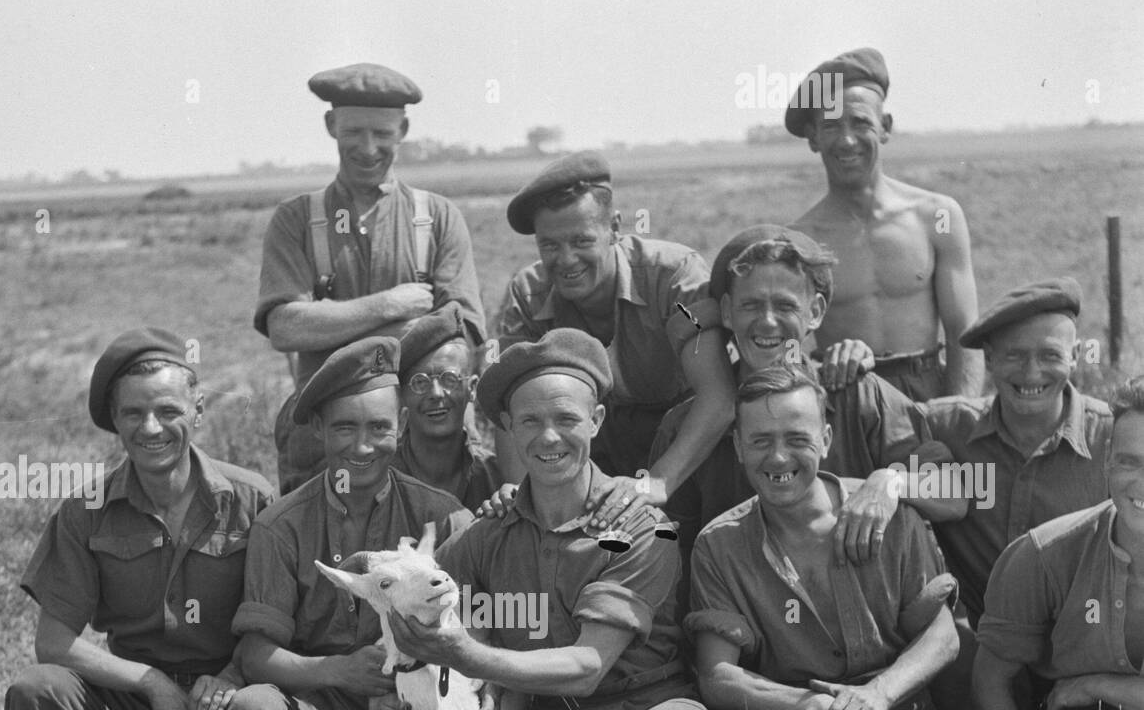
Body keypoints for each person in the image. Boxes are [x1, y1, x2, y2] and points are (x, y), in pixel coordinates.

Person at [390, 328, 729, 710]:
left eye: (566, 418)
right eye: (530, 421)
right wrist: (430, 697)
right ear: (508, 431)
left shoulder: (637, 528)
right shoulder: (486, 536)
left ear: (597, 420)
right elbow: (416, 623)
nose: (549, 437)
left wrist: (470, 655)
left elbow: (587, 666)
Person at [5, 329, 274, 710]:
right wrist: (150, 683)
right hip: (136, 705)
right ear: (114, 420)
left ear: (198, 411)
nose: (151, 428)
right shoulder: (88, 511)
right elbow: (53, 643)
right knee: (36, 692)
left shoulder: (254, 501)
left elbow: (278, 620)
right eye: (134, 413)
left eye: (167, 410)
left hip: (225, 704)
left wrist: (227, 681)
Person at [205, 335, 475, 710]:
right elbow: (255, 653)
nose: (363, 446)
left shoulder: (444, 520)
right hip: (324, 708)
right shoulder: (282, 526)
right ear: (320, 432)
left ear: (401, 426)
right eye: (344, 429)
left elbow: (479, 640)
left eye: (378, 427)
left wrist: (452, 705)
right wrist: (339, 672)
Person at [689, 359, 958, 710]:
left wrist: (877, 695)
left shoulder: (889, 516)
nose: (778, 457)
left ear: (827, 440)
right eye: (760, 441)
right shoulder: (719, 545)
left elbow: (942, 636)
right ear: (736, 446)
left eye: (797, 438)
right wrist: (812, 706)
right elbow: (715, 675)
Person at [254, 63, 485, 491]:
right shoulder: (296, 219)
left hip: (423, 434)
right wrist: (389, 307)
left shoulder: (436, 217)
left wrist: (327, 327)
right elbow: (284, 327)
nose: (367, 147)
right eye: (353, 131)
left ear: (403, 130)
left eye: (382, 133)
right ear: (330, 125)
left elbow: (463, 333)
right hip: (322, 437)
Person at [664, 224, 965, 548]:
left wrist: (889, 482)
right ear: (726, 312)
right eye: (750, 305)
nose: (767, 321)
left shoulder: (861, 396)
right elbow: (673, 545)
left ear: (816, 312)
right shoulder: (685, 426)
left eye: (785, 306)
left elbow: (953, 493)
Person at [496, 150, 735, 538]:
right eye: (549, 246)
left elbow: (718, 400)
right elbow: (510, 409)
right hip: (586, 451)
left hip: (684, 452)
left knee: (694, 550)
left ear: (615, 227)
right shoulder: (527, 294)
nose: (566, 259)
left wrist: (650, 487)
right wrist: (522, 504)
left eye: (581, 240)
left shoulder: (673, 276)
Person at [972, 377, 1144, 710]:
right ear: (1106, 466)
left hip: (1100, 707)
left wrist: (1098, 682)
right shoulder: (1046, 555)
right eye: (1130, 461)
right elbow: (990, 681)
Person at [921, 278, 1113, 710]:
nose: (1031, 373)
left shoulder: (1112, 439)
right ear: (988, 361)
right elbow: (875, 425)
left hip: (1084, 655)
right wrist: (887, 482)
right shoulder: (945, 427)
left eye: (1050, 355)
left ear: (1076, 357)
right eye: (1013, 356)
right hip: (984, 656)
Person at [787, 47, 982, 399]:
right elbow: (784, 351)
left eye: (860, 122)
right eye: (831, 126)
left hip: (927, 398)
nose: (847, 140)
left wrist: (959, 420)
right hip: (844, 401)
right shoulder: (800, 243)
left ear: (885, 127)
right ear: (814, 138)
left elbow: (964, 335)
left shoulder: (937, 217)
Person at [395, 301, 503, 513]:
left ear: (471, 389)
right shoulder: (380, 478)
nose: (435, 393)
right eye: (420, 382)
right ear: (403, 396)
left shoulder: (496, 479)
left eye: (449, 379)